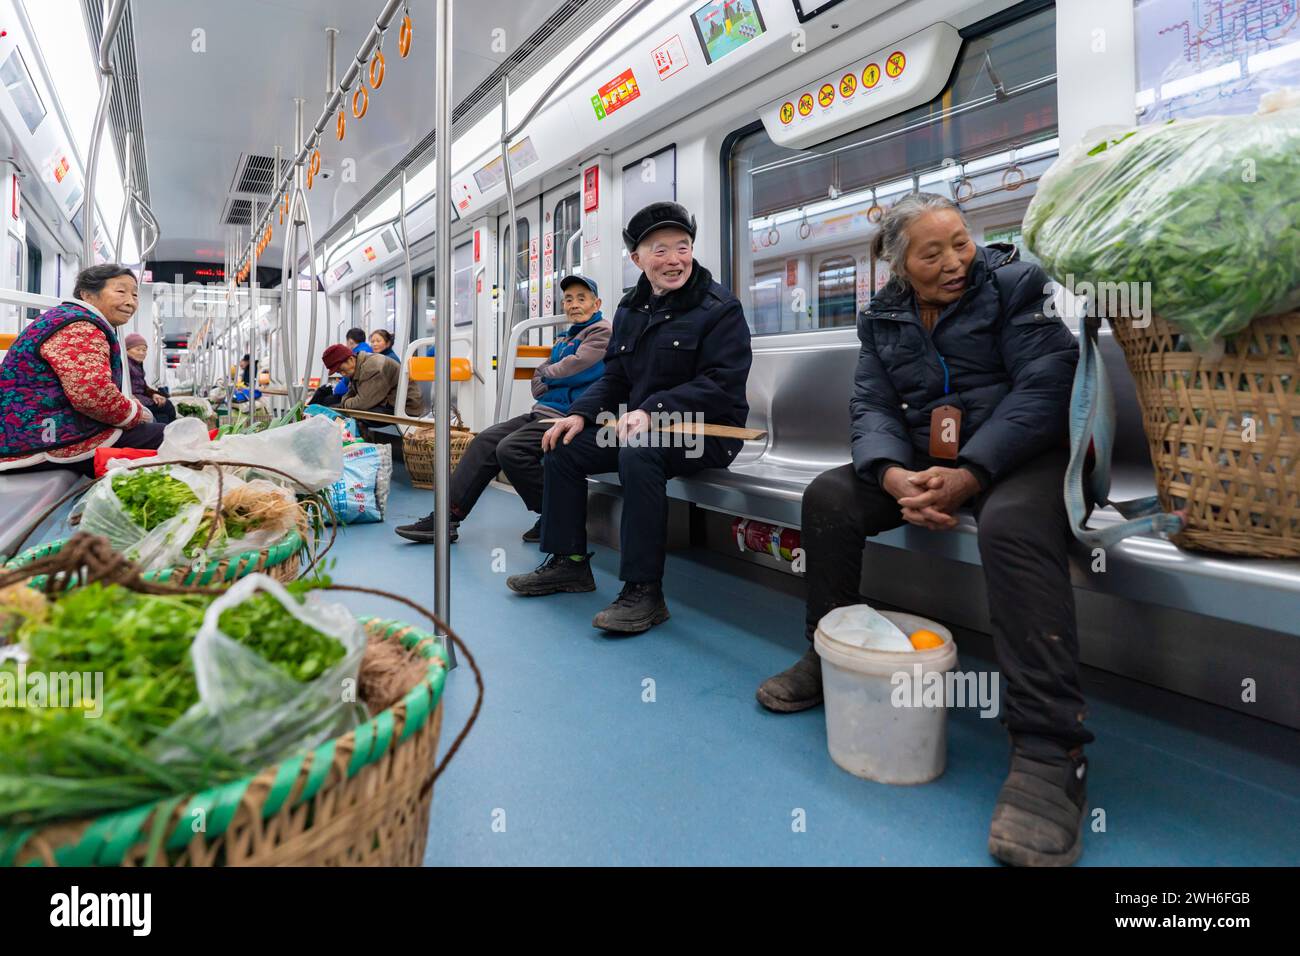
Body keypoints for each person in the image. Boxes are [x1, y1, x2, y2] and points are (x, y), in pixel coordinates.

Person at [754, 193, 1089, 866]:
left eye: (960, 243)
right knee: (829, 497)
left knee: (1013, 529)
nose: (955, 262)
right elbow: (872, 404)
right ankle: (827, 655)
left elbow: (1049, 386)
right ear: (899, 265)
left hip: (1022, 455)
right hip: (925, 460)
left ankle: (1051, 752)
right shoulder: (881, 318)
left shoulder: (1019, 287)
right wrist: (888, 475)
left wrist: (973, 469)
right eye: (931, 253)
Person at [505, 202, 752, 634]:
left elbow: (721, 384)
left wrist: (651, 411)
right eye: (660, 251)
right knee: (563, 446)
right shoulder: (630, 309)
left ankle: (644, 592)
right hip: (644, 427)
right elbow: (617, 376)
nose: (674, 260)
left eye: (682, 247)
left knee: (638, 454)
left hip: (707, 431)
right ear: (637, 259)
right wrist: (580, 415)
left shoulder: (719, 308)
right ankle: (570, 562)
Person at [395, 274, 612, 545]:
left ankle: (557, 512)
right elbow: (538, 385)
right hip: (544, 411)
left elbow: (577, 367)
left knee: (511, 449)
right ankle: (446, 518)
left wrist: (547, 372)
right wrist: (549, 374)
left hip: (573, 416)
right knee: (485, 440)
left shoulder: (602, 331)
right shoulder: (564, 339)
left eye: (582, 298)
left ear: (597, 303)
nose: (574, 304)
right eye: (568, 299)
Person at [0, 265, 165, 476]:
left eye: (134, 295)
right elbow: (92, 394)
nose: (131, 302)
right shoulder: (80, 326)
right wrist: (135, 413)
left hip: (30, 432)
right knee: (167, 438)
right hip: (39, 441)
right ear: (87, 295)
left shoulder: (68, 318)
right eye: (120, 291)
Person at [320, 343, 421, 417]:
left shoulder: (373, 367)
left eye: (341, 370)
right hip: (388, 403)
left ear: (350, 359)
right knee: (336, 408)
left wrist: (345, 403)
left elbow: (361, 403)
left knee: (353, 415)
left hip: (406, 408)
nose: (342, 374)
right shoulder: (357, 367)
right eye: (338, 372)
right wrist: (347, 402)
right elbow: (351, 393)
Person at [124, 333, 176, 425]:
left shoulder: (137, 364)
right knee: (168, 406)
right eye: (138, 349)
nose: (142, 353)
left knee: (162, 416)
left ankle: (167, 433)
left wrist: (153, 395)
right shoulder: (125, 364)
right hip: (134, 401)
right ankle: (171, 432)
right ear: (126, 350)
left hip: (142, 399)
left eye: (144, 350)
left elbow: (143, 387)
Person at [310, 328, 370, 405]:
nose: (343, 374)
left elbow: (363, 401)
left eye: (378, 341)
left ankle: (307, 410)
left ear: (350, 341)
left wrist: (340, 400)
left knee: (324, 397)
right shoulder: (360, 357)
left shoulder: (367, 364)